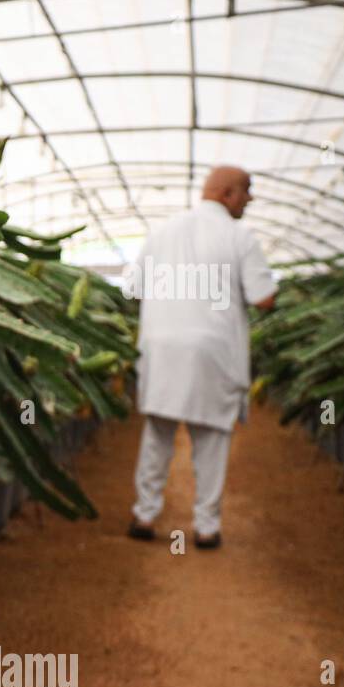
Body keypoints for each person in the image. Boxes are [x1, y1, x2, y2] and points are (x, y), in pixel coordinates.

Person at [122, 166, 277, 549]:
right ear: (227, 194)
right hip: (213, 352)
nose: (249, 200)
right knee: (210, 439)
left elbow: (134, 288)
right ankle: (206, 527)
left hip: (162, 348)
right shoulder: (239, 237)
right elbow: (265, 298)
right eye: (246, 192)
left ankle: (144, 515)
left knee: (158, 434)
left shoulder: (162, 232)